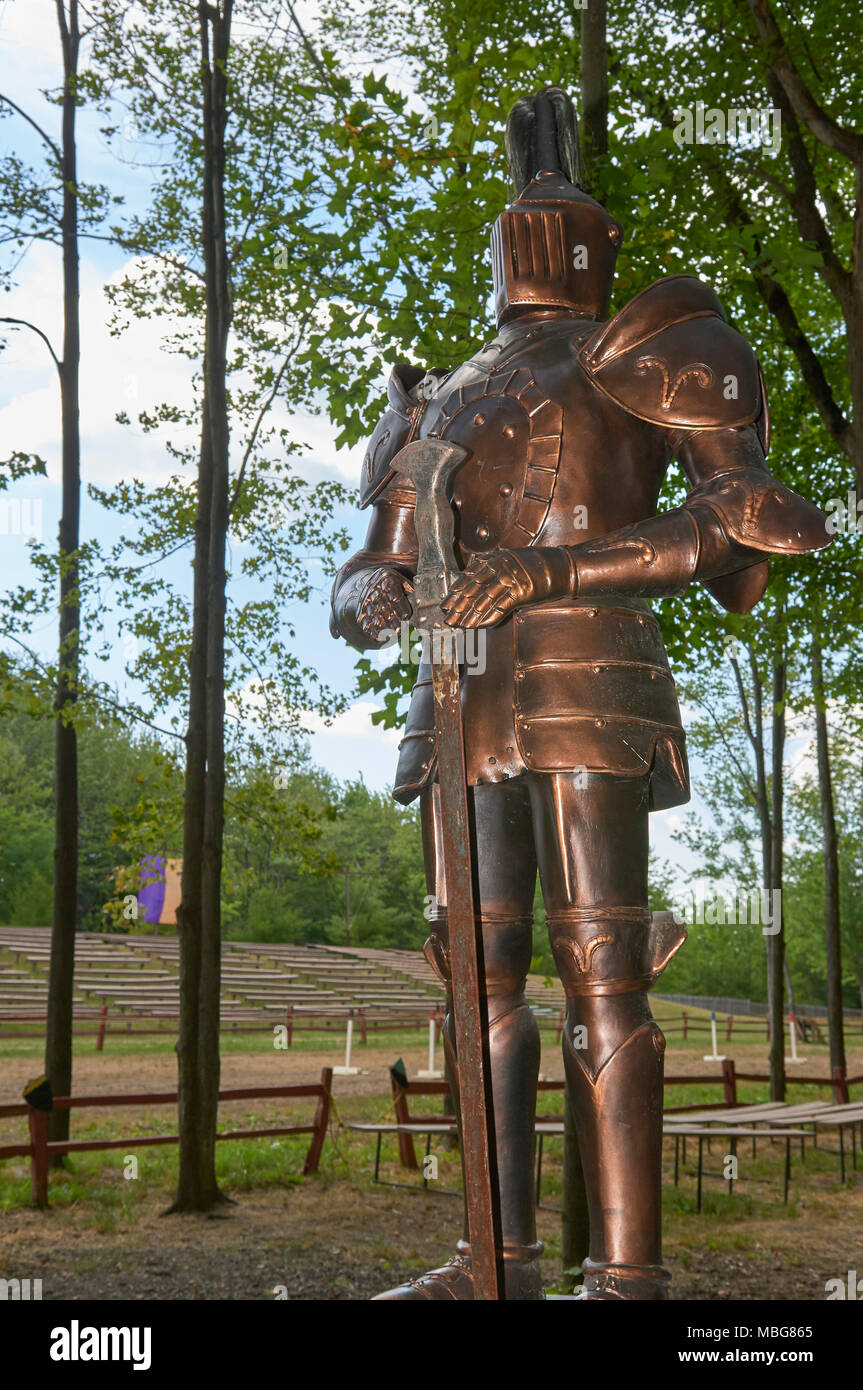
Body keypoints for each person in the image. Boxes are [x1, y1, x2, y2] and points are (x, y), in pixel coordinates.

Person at [330, 87, 831, 1300]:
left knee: (601, 964)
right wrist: (377, 601)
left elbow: (743, 519)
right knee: (476, 970)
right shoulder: (433, 393)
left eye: (553, 223)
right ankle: (486, 1255)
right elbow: (368, 569)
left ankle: (625, 1276)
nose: (537, 241)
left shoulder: (656, 345)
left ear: (590, 242)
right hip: (454, 694)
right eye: (526, 225)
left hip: (586, 672)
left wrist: (550, 566)